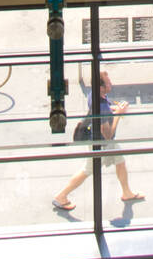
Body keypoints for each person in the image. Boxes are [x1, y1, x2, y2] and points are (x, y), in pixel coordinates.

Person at [52, 71, 144, 211]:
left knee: (120, 162)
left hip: (100, 142)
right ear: (101, 87)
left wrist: (115, 109)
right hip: (102, 144)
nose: (111, 84)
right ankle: (61, 196)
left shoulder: (93, 95)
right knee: (88, 170)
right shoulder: (102, 107)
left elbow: (102, 111)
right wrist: (118, 114)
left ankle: (127, 192)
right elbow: (108, 134)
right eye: (108, 83)